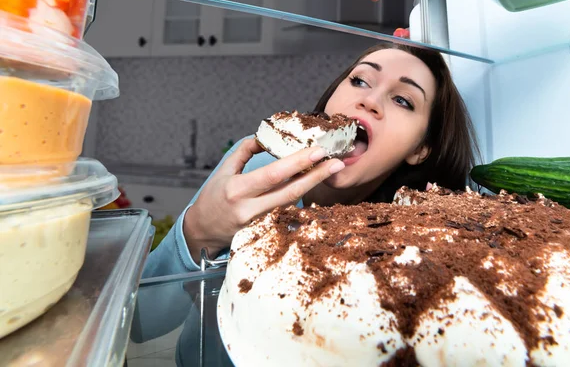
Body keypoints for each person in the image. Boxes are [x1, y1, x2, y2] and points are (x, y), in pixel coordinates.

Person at [143, 42, 480, 278]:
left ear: (420, 149)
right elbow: (144, 321)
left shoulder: (408, 234)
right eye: (360, 80)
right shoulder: (254, 171)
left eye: (403, 100)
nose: (370, 100)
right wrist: (200, 231)